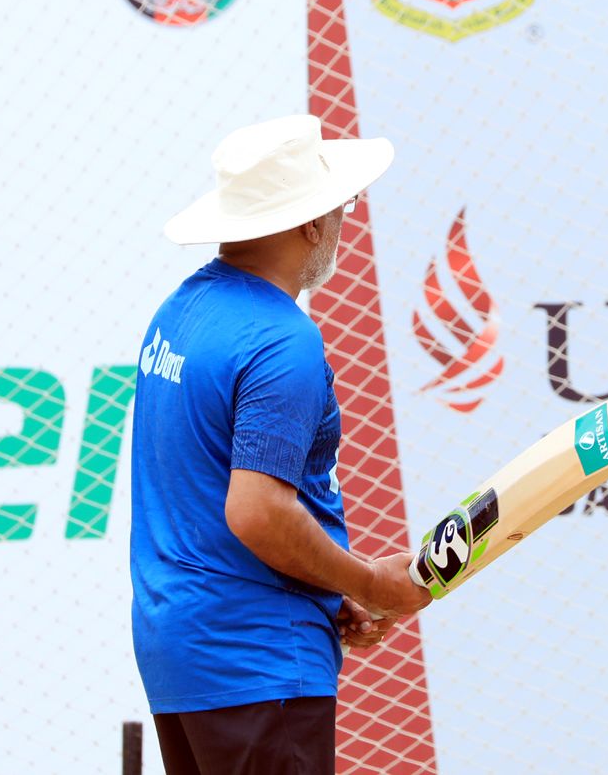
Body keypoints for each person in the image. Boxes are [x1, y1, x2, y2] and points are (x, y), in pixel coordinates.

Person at [130, 114, 431, 775]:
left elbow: (202, 490)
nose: (345, 224)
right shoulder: (280, 339)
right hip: (256, 659)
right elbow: (257, 512)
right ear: (310, 224)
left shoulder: (180, 309)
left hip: (181, 645)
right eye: (342, 207)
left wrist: (324, 584)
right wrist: (371, 581)